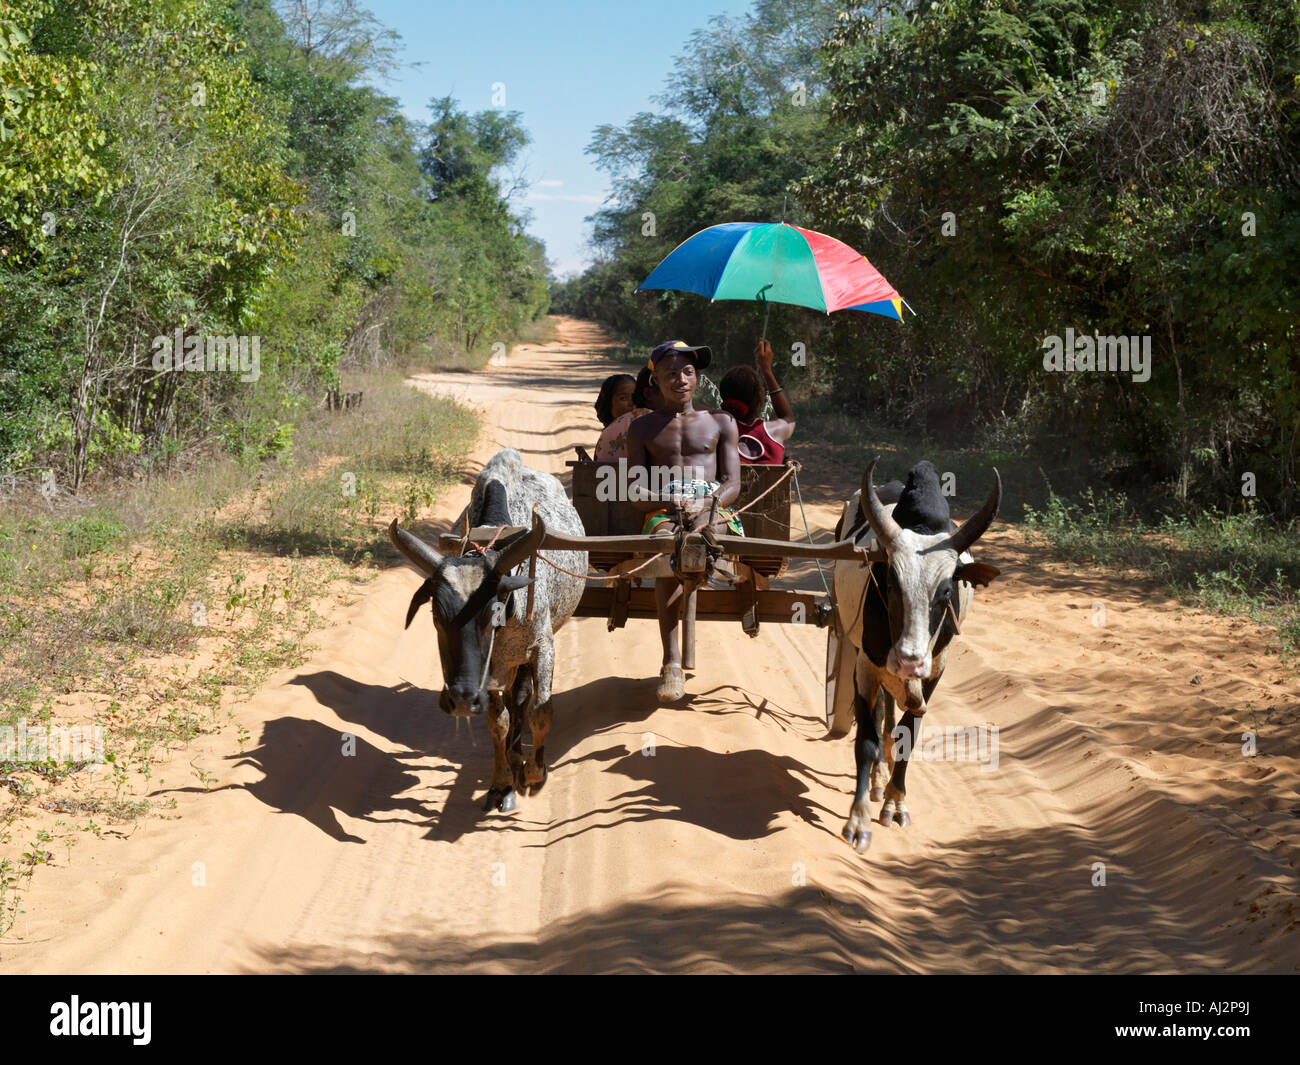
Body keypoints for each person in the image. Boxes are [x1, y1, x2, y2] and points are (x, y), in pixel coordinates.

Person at [627, 340, 744, 701]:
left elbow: (733, 483)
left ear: (697, 377)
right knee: (667, 550)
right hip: (663, 510)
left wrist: (707, 503)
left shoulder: (721, 421)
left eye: (688, 372)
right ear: (655, 382)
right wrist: (668, 499)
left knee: (700, 538)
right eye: (671, 374)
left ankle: (697, 567)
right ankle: (671, 661)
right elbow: (634, 490)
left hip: (712, 508)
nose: (681, 379)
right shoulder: (642, 429)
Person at [717, 339, 796, 465]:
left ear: (723, 397)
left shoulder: (715, 433)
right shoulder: (774, 431)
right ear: (760, 397)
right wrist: (767, 370)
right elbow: (788, 419)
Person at [594, 366, 659, 460]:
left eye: (634, 397)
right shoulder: (608, 436)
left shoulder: (642, 424)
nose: (631, 403)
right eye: (623, 398)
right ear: (608, 403)